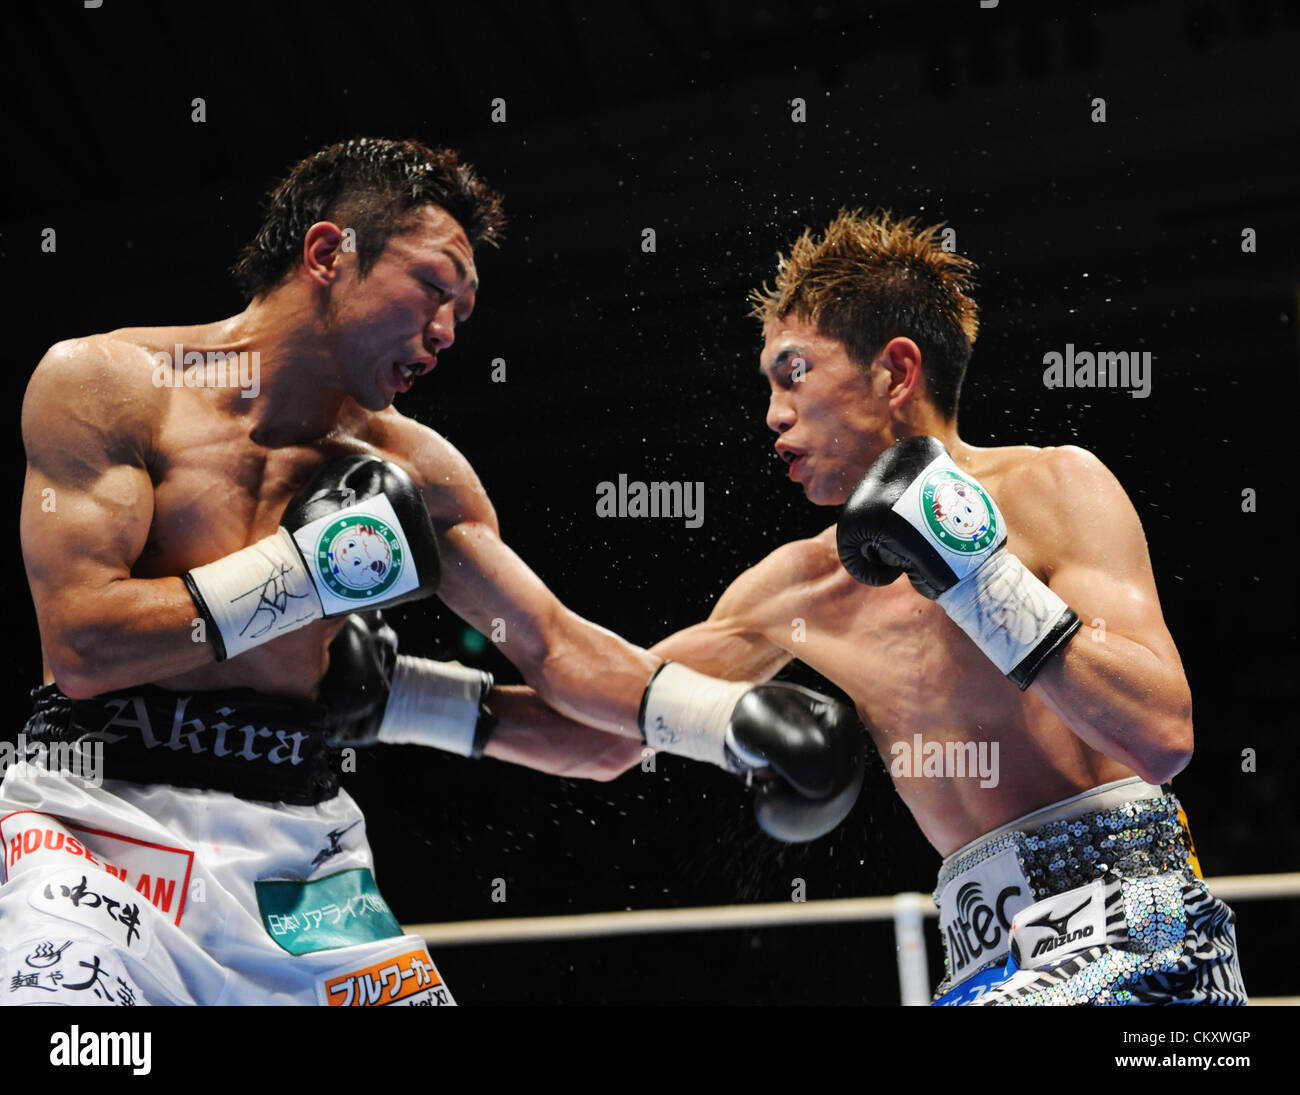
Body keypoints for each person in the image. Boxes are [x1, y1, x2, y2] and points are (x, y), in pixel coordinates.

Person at [3, 139, 863, 1007]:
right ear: (327, 253)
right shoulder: (110, 385)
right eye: (433, 287)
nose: (447, 331)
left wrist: (727, 720)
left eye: (464, 307)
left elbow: (559, 656)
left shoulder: (419, 473)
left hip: (301, 869)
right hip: (95, 831)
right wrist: (307, 577)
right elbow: (81, 645)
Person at [645, 209, 1246, 1005]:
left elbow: (1163, 736)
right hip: (980, 970)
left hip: (1146, 939)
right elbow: (613, 700)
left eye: (794, 373)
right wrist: (431, 693)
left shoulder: (1056, 489)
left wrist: (978, 578)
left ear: (896, 372)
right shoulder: (795, 589)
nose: (773, 414)